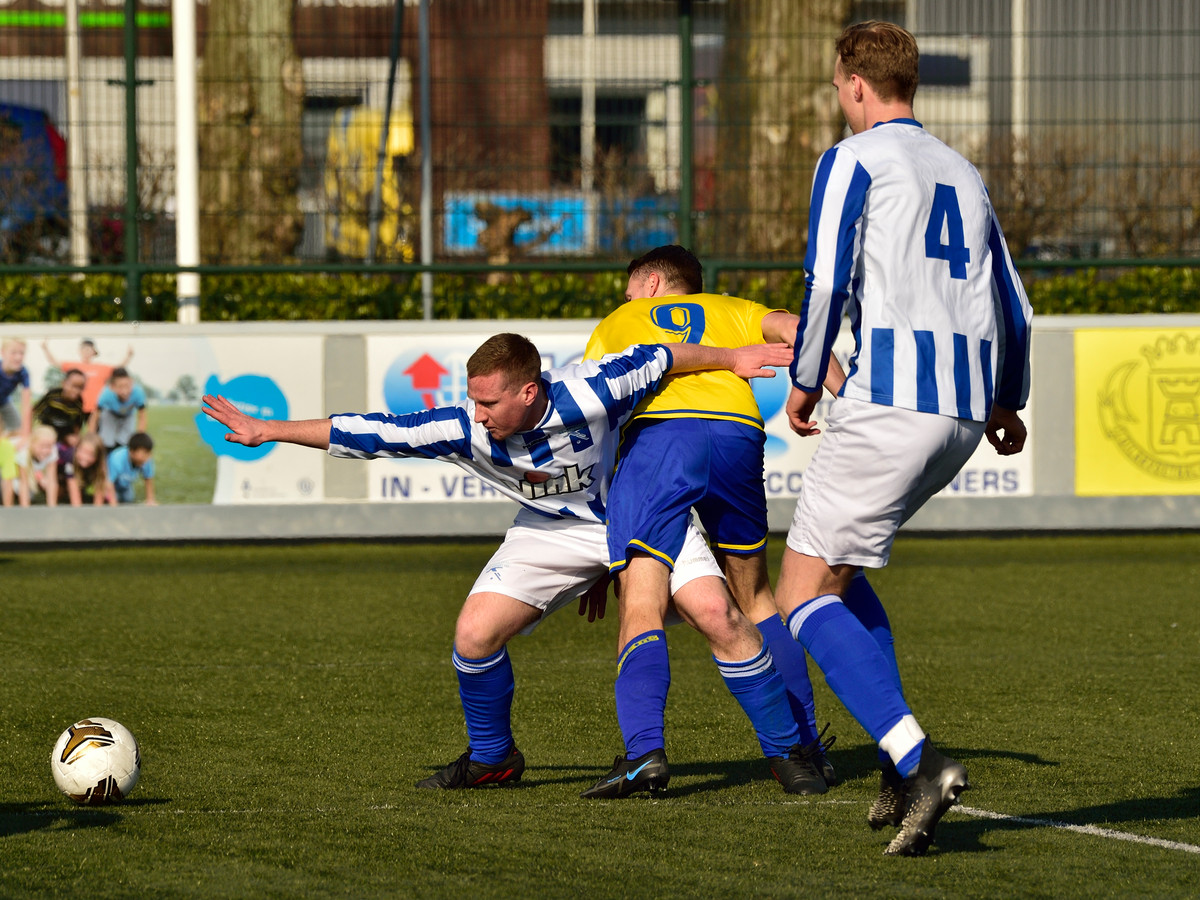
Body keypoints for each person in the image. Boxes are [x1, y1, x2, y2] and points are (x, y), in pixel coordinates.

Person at [204, 333, 812, 797]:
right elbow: (368, 430)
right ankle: (493, 757)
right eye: (473, 400)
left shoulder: (590, 390)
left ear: (530, 391)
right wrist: (267, 430)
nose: (478, 414)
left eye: (489, 401)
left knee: (718, 615)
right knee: (473, 633)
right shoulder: (463, 428)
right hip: (549, 534)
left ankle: (790, 751)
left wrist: (733, 357)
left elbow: (664, 355)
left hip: (636, 510)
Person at [772, 21, 1033, 856]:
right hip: (957, 413)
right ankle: (894, 759)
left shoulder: (855, 159)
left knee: (802, 594)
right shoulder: (961, 168)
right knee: (840, 573)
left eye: (836, 82)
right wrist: (1004, 401)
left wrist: (806, 376)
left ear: (852, 81)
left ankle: (918, 762)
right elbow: (1015, 303)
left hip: (889, 399)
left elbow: (825, 275)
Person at [583, 244, 845, 795]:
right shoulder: (735, 308)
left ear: (652, 283)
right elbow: (802, 330)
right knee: (756, 598)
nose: (626, 297)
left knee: (641, 602)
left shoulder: (618, 322)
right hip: (737, 434)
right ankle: (806, 753)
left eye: (631, 286)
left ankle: (643, 754)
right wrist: (823, 391)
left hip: (661, 438)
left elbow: (595, 409)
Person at [42, 338, 134, 415]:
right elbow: (55, 362)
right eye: (84, 349)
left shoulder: (101, 368)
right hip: (76, 406)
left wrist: (128, 356)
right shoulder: (73, 366)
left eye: (89, 349)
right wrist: (45, 348)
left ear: (94, 352)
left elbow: (118, 368)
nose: (86, 352)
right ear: (79, 351)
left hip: (96, 408)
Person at [91, 367, 149, 453]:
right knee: (106, 442)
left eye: (127, 386)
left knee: (125, 441)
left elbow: (142, 416)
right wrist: (91, 435)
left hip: (128, 415)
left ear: (131, 382)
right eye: (120, 387)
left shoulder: (138, 392)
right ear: (112, 387)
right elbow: (95, 415)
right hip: (110, 413)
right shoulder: (106, 394)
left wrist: (140, 437)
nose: (125, 391)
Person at [34, 368, 88, 446]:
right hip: (47, 430)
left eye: (80, 388)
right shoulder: (52, 396)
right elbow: (35, 412)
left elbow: (77, 425)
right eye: (74, 386)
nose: (77, 391)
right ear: (64, 383)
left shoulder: (78, 403)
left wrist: (75, 439)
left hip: (64, 435)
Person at [63, 432, 115, 506]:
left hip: (87, 476)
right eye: (82, 451)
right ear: (77, 448)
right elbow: (74, 492)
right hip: (64, 479)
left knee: (107, 487)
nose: (85, 457)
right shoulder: (70, 458)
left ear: (98, 457)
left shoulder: (101, 464)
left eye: (91, 454)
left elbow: (99, 490)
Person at [14, 424, 60, 506]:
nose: (45, 451)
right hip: (12, 476)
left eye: (48, 446)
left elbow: (52, 480)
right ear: (32, 444)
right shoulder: (23, 454)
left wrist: (52, 508)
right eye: (42, 446)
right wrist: (25, 510)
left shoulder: (52, 450)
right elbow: (23, 484)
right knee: (23, 490)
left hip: (32, 473)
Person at [107, 431, 156, 504]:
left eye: (149, 453)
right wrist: (113, 504)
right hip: (108, 485)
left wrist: (150, 500)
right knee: (114, 499)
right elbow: (109, 483)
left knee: (129, 499)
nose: (147, 457)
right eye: (144, 453)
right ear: (131, 451)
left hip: (124, 485)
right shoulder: (117, 458)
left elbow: (148, 478)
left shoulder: (146, 460)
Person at [0, 337, 33, 439]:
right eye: (13, 353)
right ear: (3, 352)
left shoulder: (23, 373)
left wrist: (25, 434)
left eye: (22, 353)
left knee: (19, 428)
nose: (18, 357)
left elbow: (26, 404)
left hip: (4, 402)